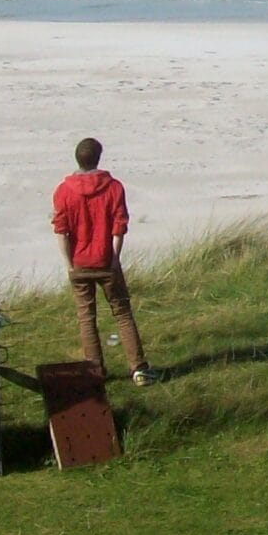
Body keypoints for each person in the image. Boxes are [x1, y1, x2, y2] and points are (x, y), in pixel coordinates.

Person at [51, 137, 160, 386]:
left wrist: (69, 265)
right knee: (122, 313)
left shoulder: (64, 190)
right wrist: (114, 258)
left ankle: (95, 372)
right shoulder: (114, 187)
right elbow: (118, 228)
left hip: (79, 262)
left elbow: (61, 231)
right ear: (98, 158)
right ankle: (138, 368)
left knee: (86, 317)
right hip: (105, 259)